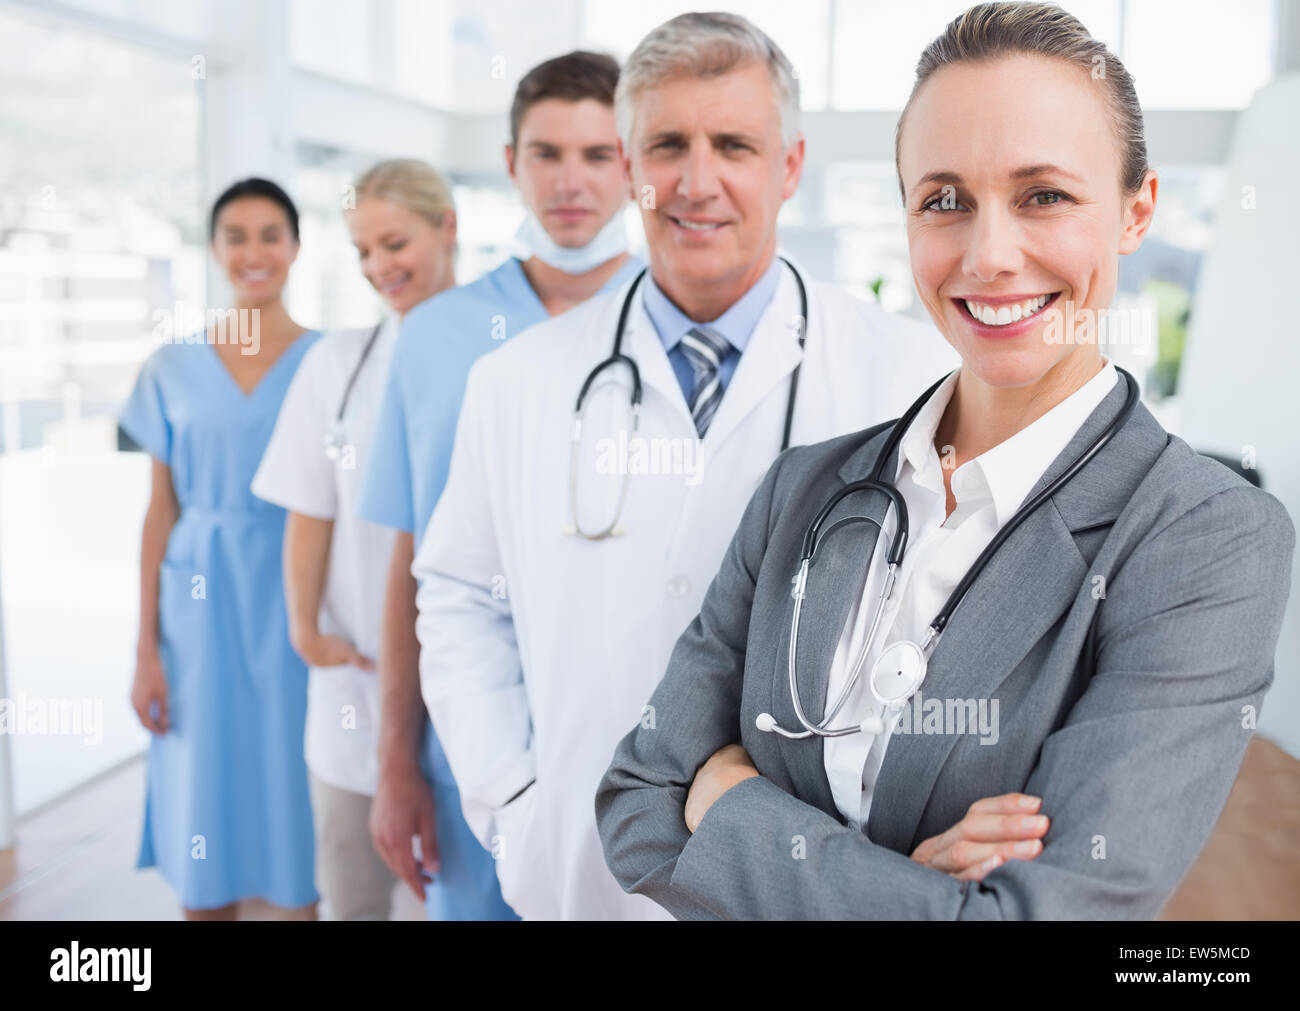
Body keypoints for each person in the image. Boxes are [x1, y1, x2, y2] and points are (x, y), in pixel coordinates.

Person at [594, 1, 1296, 920]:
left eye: (1044, 194)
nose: (989, 254)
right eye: (945, 200)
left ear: (1136, 211)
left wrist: (731, 806)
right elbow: (637, 802)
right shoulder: (804, 489)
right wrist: (913, 885)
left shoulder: (1203, 537)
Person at [412, 12, 955, 921]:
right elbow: (460, 595)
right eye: (667, 144)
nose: (696, 182)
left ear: (788, 166)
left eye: (733, 144)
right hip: (580, 872)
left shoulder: (907, 375)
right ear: (631, 165)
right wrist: (513, 802)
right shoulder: (516, 381)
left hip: (806, 878)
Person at [359, 51, 643, 920]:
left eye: (599, 154)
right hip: (469, 749)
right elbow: (415, 563)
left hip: (642, 755)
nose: (570, 181)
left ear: (634, 164)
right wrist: (395, 763)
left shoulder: (680, 323)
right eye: (545, 153)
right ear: (511, 162)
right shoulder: (438, 335)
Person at [250, 160, 457, 920]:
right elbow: (310, 507)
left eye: (394, 243)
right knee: (355, 898)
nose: (378, 268)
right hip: (355, 692)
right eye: (363, 252)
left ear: (449, 228)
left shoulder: (505, 356)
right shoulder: (337, 365)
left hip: (472, 693)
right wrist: (306, 631)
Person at [122, 178, 321, 920]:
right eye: (235, 235)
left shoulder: (330, 362)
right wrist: (145, 648)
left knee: (293, 799)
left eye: (270, 233)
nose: (253, 251)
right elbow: (158, 512)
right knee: (203, 799)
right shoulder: (172, 365)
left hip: (297, 595)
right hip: (197, 610)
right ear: (214, 249)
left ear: (296, 247)